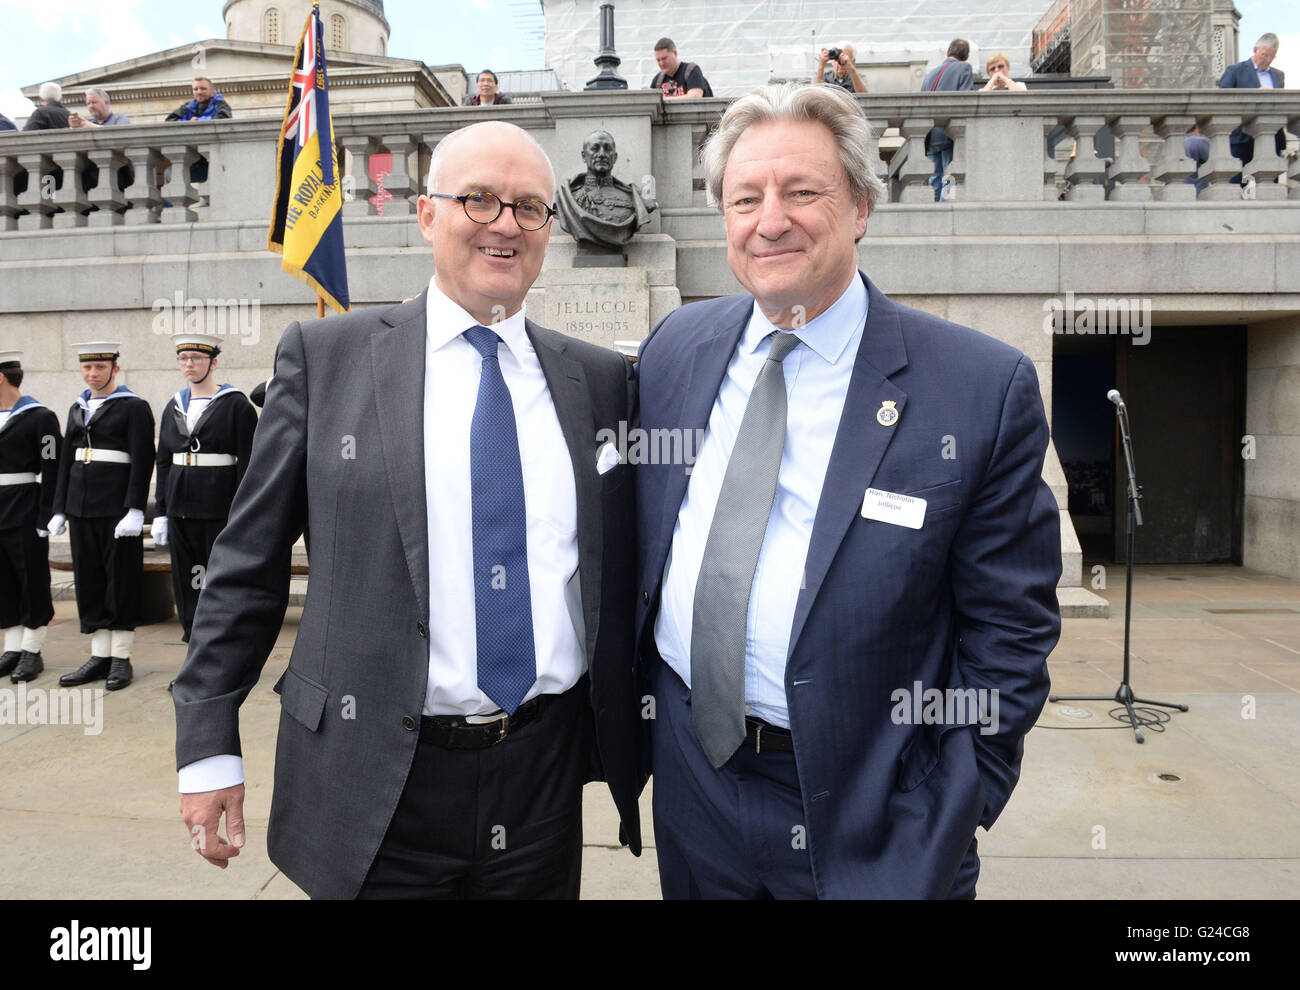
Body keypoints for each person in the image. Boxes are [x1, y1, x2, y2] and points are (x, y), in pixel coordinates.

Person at [173, 119, 644, 900]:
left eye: (528, 207)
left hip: (542, 777)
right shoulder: (327, 359)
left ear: (549, 229)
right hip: (373, 777)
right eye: (478, 200)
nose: (505, 224)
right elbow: (245, 564)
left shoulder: (598, 380)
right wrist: (208, 743)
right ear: (427, 214)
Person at [635, 83, 1062, 899]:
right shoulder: (676, 350)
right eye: (745, 198)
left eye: (803, 193)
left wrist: (956, 799)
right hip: (696, 790)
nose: (771, 220)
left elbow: (1011, 630)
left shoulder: (977, 386)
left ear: (861, 207)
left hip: (876, 814)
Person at [47, 342, 156, 692]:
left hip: (115, 509)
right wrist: (59, 507)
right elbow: (66, 459)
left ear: (114, 369)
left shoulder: (134, 407)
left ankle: (121, 658)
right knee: (90, 580)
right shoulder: (77, 407)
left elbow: (143, 459)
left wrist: (136, 508)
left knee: (119, 580)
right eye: (87, 368)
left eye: (99, 367)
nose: (92, 374)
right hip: (81, 508)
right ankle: (99, 656)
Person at [151, 334, 258, 643]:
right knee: (187, 583)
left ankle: (219, 648)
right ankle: (193, 647)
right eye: (183, 359)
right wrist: (161, 511)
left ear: (213, 362)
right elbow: (164, 461)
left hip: (219, 508)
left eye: (196, 358)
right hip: (181, 508)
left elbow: (248, 462)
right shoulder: (174, 405)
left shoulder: (235, 404)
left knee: (219, 582)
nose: (189, 364)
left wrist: (243, 512)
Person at [0, 352, 62, 684]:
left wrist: (47, 515)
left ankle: (32, 649)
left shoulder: (40, 417)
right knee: (4, 581)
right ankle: (11, 648)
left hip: (24, 506)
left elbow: (52, 469)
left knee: (31, 579)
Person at [554, 129, 658, 253]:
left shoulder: (633, 199)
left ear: (614, 157)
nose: (602, 154)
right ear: (583, 156)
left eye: (607, 149)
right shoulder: (566, 198)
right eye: (595, 148)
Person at [1219, 33, 1285, 185]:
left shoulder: (1279, 76)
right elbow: (1223, 100)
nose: (1267, 61)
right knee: (1237, 187)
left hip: (1271, 140)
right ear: (1255, 50)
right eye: (1264, 55)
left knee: (1268, 189)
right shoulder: (1235, 71)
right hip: (1241, 139)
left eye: (1271, 57)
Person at [920, 40, 974, 201]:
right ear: (966, 56)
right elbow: (966, 99)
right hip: (950, 136)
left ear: (947, 53)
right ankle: (944, 216)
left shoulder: (930, 75)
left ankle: (934, 217)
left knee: (934, 181)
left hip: (930, 137)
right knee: (949, 179)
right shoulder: (965, 67)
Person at [165, 77, 233, 122]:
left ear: (212, 92)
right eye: (195, 89)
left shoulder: (221, 104)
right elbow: (170, 121)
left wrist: (198, 120)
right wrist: (188, 123)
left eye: (203, 89)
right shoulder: (187, 107)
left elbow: (224, 119)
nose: (199, 92)